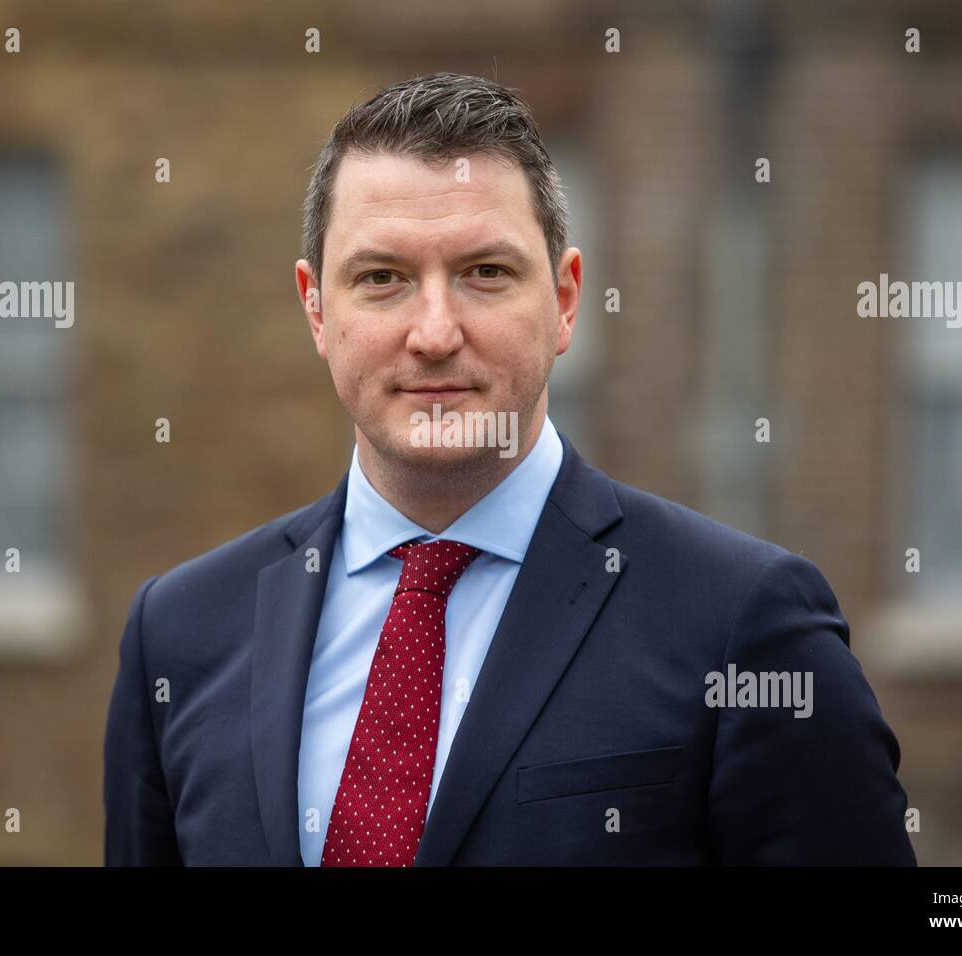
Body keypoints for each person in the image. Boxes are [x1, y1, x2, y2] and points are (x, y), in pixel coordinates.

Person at [104, 71, 917, 866]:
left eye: (485, 273)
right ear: (316, 309)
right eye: (382, 278)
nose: (434, 333)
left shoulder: (743, 624)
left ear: (565, 300)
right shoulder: (179, 634)